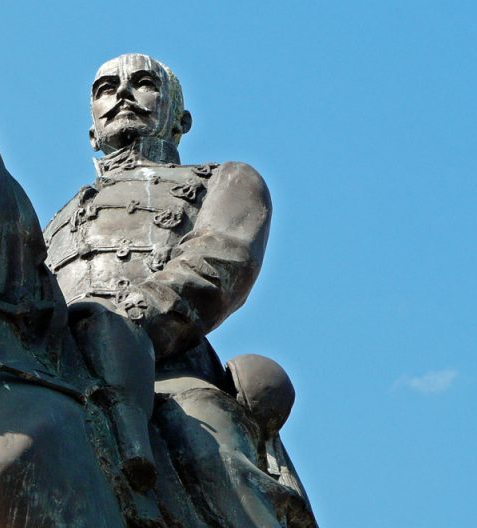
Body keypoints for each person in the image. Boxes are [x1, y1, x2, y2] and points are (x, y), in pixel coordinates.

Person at [44, 53, 316, 528]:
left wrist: (128, 316)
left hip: (164, 368)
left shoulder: (224, 180)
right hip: (59, 366)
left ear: (181, 120)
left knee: (207, 450)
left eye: (142, 83)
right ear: (92, 128)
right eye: (105, 89)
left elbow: (221, 259)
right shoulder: (57, 222)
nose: (121, 95)